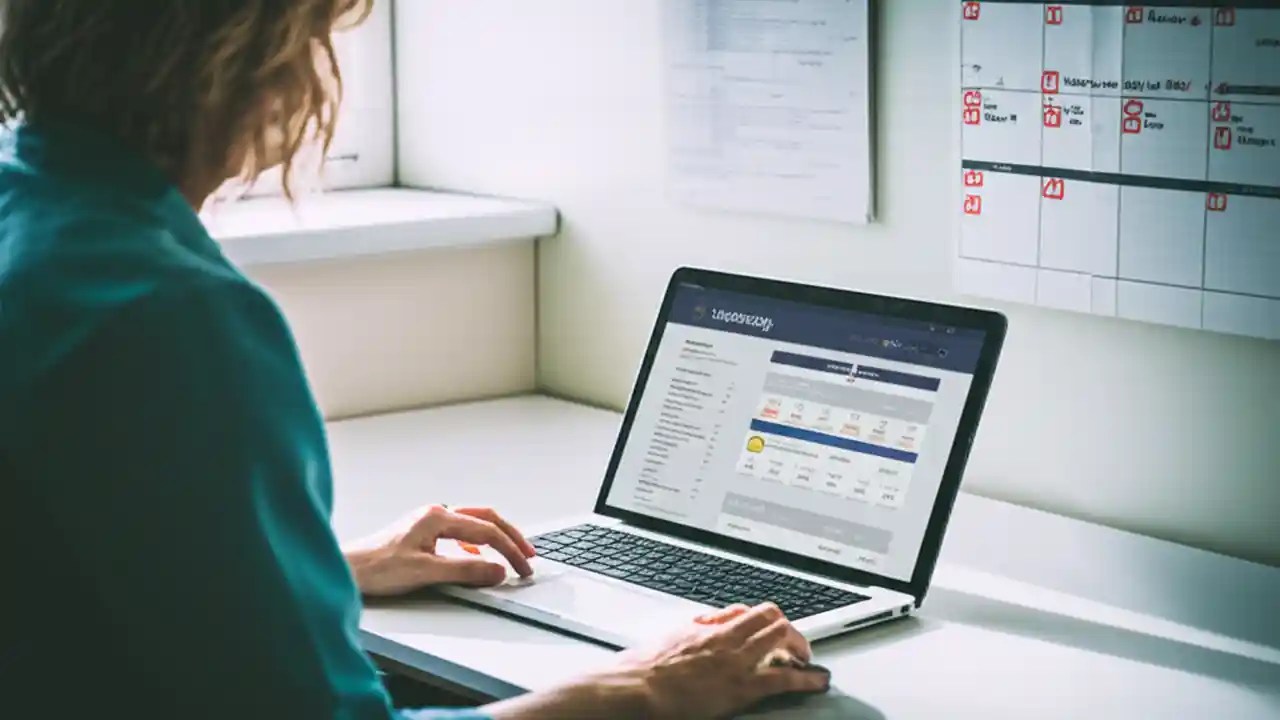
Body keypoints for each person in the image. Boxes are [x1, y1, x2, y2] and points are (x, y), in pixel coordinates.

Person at [0, 2, 830, 718]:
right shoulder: (172, 318)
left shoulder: (29, 222)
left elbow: (64, 569)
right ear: (245, 61)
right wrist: (647, 685)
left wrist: (319, 571)